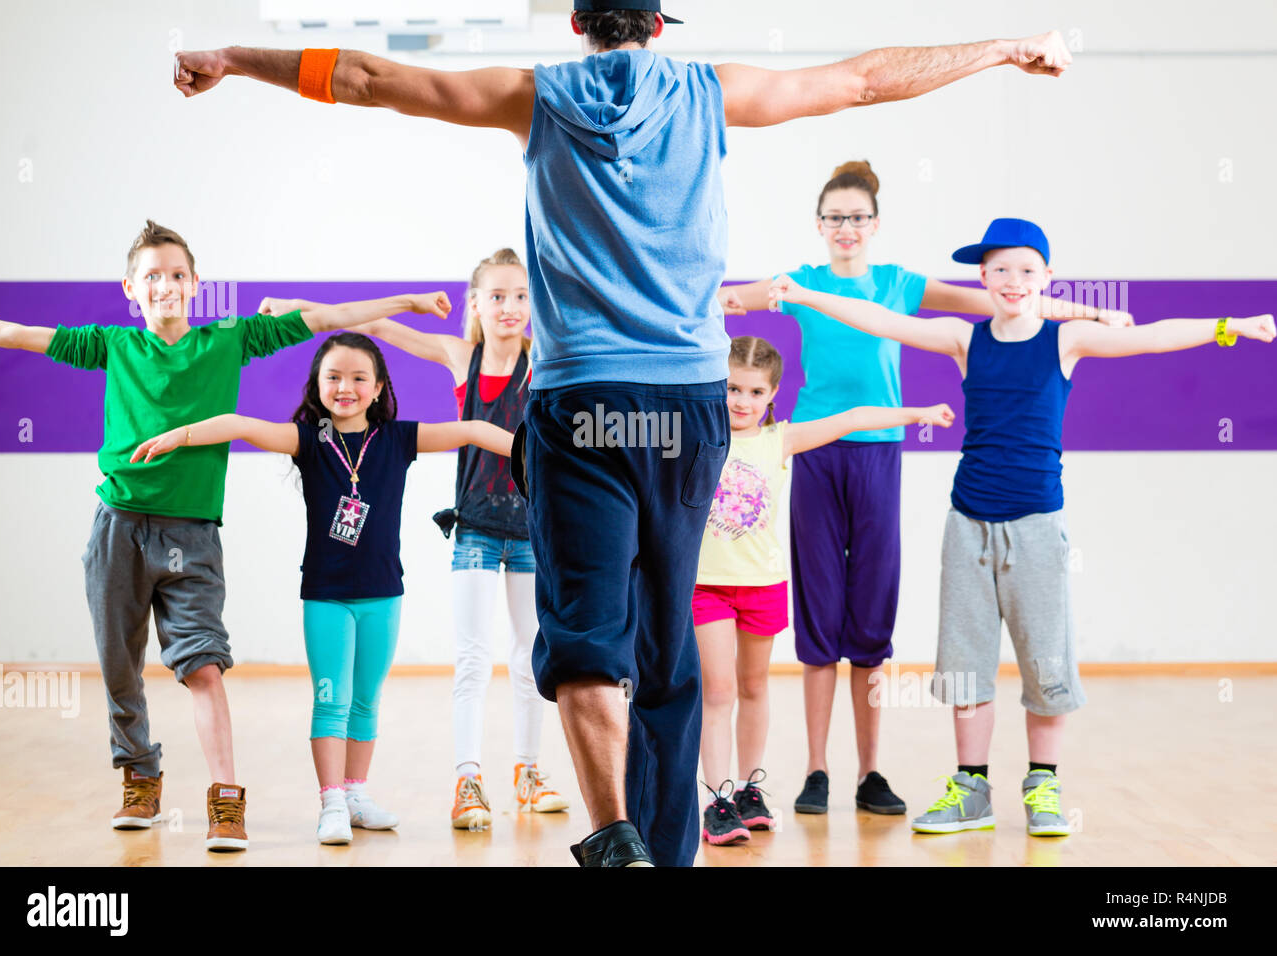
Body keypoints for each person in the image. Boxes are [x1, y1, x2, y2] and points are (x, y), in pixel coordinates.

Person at [174, 3, 1075, 866]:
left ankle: (614, 842)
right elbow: (865, 80)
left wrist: (235, 60)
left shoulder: (535, 94)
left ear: (576, 24)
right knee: (667, 644)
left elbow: (370, 76)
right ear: (656, 25)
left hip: (580, 404)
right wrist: (1005, 48)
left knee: (582, 640)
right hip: (686, 408)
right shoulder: (709, 90)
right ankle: (663, 850)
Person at [768, 218, 1274, 836]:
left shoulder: (1065, 342)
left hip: (1036, 526)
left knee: (1046, 664)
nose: (1013, 281)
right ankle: (971, 790)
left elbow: (1152, 337)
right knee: (967, 663)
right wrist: (808, 294)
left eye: (1027, 270)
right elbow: (884, 322)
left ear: (1047, 278)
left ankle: (1044, 787)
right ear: (983, 278)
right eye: (1001, 270)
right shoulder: (963, 338)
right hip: (968, 526)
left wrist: (1231, 327)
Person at [0, 220, 450, 851]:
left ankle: (226, 801)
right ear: (130, 288)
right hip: (117, 525)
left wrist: (407, 303)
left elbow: (330, 316)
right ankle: (140, 774)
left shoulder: (229, 337)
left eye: (178, 275)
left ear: (196, 284)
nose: (166, 286)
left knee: (203, 666)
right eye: (152, 276)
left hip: (192, 534)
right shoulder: (111, 345)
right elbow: (18, 335)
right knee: (120, 667)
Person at [721, 160, 1131, 817]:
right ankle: (817, 771)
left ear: (875, 224)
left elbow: (1000, 302)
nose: (846, 227)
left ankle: (871, 773)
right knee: (820, 620)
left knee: (871, 622)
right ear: (820, 226)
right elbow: (726, 302)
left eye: (858, 217)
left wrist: (1087, 313)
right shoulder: (799, 284)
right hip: (817, 455)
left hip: (880, 456)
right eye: (835, 218)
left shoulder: (901, 283)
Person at [131, 331, 515, 844]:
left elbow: (471, 428)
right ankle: (331, 801)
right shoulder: (308, 440)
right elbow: (241, 425)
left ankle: (356, 793)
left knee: (366, 701)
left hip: (384, 596)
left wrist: (534, 453)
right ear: (317, 384)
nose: (346, 387)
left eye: (359, 378)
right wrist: (180, 435)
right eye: (333, 377)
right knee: (330, 699)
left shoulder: (399, 439)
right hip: (326, 597)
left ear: (378, 388)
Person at [694, 336, 952, 846]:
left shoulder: (780, 440)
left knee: (754, 688)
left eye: (753, 391)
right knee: (718, 692)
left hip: (762, 587)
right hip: (708, 588)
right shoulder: (697, 437)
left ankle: (750, 790)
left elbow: (853, 418)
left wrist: (919, 410)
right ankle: (716, 800)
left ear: (772, 395)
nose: (741, 401)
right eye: (731, 389)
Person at [355, 249, 569, 829]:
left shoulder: (544, 359)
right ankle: (468, 782)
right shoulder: (461, 357)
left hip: (533, 531)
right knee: (473, 659)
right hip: (474, 527)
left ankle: (528, 774)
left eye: (522, 296)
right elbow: (375, 325)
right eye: (497, 296)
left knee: (531, 658)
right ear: (475, 303)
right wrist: (304, 308)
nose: (511, 307)